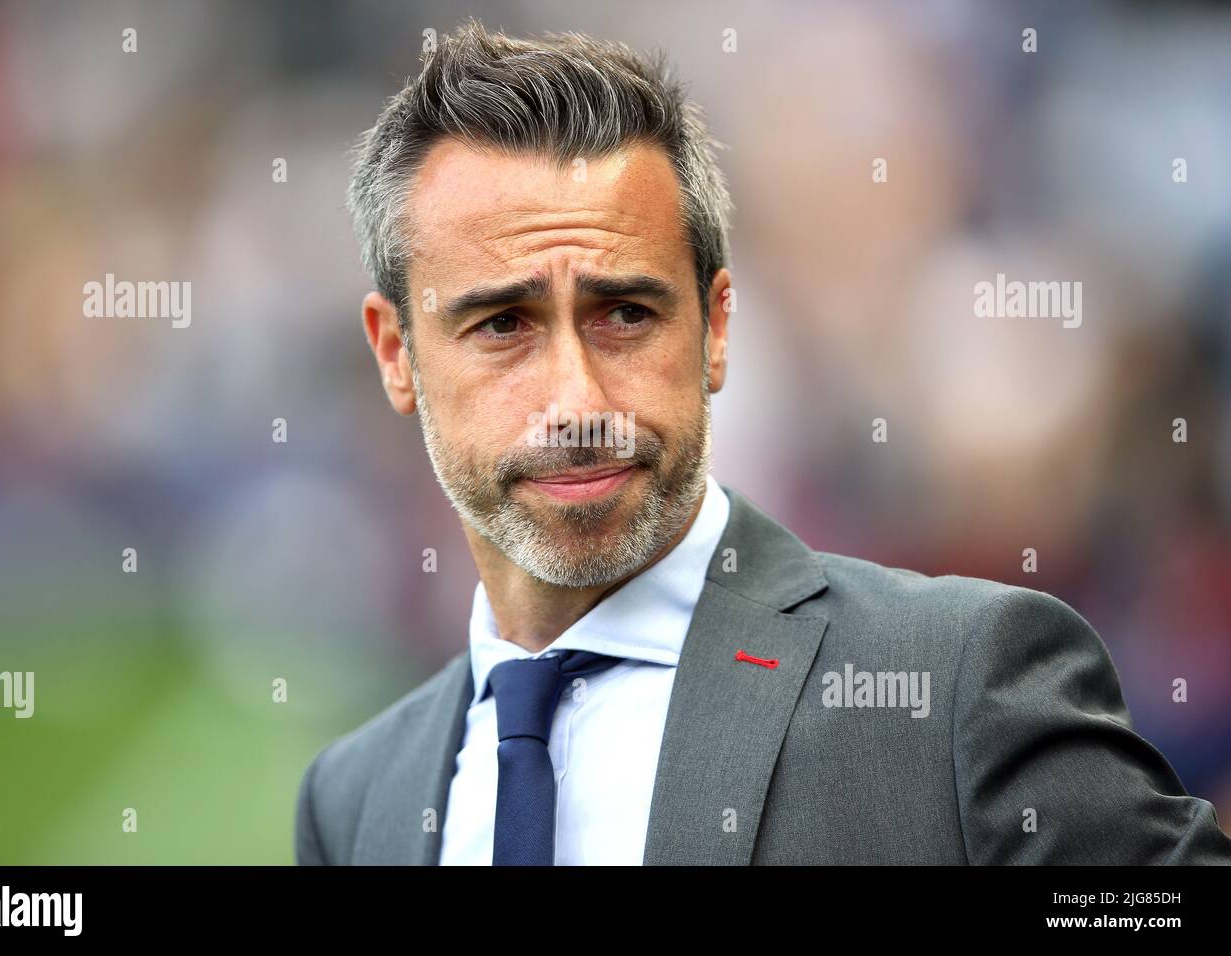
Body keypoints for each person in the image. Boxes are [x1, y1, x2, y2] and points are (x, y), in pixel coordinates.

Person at [295, 19, 1231, 865]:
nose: (577, 398)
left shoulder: (957, 686)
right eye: (502, 324)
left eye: (625, 313)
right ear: (397, 355)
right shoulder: (357, 800)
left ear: (716, 327)